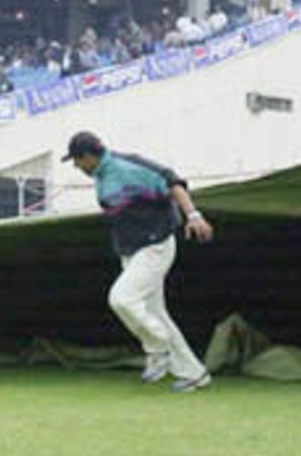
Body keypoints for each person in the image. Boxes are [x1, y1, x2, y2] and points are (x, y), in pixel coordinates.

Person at [63, 131, 213, 392]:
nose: (76, 166)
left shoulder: (128, 166)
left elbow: (172, 181)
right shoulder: (101, 177)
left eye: (77, 161)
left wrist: (194, 215)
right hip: (131, 251)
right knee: (155, 315)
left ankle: (157, 349)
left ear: (88, 156)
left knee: (121, 299)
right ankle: (194, 374)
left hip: (155, 245)